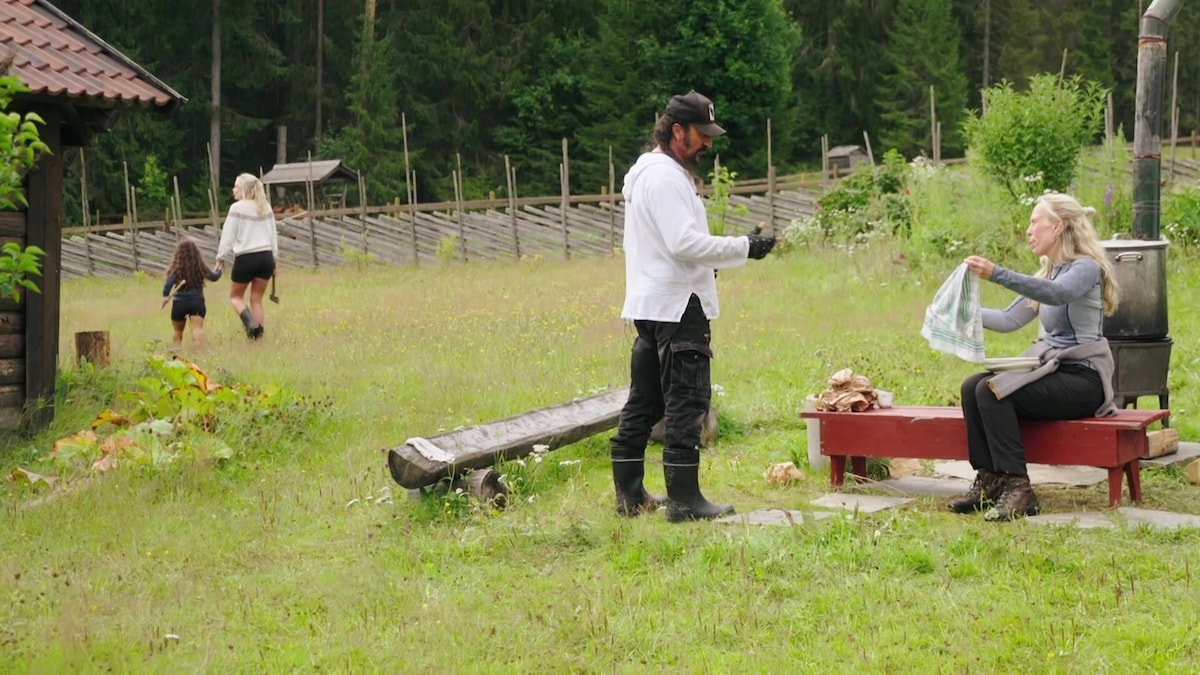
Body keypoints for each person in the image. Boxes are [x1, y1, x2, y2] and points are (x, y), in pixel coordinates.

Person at [609, 90, 778, 523]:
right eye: (700, 134)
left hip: (651, 301)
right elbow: (683, 242)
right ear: (676, 130)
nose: (707, 143)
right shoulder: (665, 177)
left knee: (644, 401)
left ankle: (630, 496)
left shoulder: (649, 174)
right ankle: (685, 502)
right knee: (687, 398)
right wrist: (747, 247)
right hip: (678, 305)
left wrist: (722, 255)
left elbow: (670, 246)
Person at [952, 193, 1120, 521]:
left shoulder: (1085, 268)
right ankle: (990, 480)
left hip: (1084, 380)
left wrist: (996, 273)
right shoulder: (1048, 273)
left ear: (1056, 226)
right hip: (1054, 374)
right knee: (973, 386)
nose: (1029, 230)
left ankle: (1019, 489)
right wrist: (960, 313)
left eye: (1034, 221)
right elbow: (1008, 319)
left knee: (992, 391)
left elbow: (1056, 295)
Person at [216, 173, 278, 340]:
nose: (233, 189)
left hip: (246, 258)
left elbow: (228, 235)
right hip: (266, 257)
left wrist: (220, 257)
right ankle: (259, 335)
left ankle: (250, 326)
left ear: (244, 189)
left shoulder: (236, 208)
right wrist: (275, 261)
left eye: (236, 186)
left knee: (236, 297)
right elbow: (273, 235)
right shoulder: (266, 207)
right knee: (256, 299)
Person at [161, 238, 222, 349]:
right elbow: (214, 277)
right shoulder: (200, 267)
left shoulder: (176, 269)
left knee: (177, 331)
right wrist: (219, 270)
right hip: (197, 301)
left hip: (179, 303)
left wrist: (165, 296)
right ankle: (197, 352)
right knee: (197, 328)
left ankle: (176, 351)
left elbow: (169, 283)